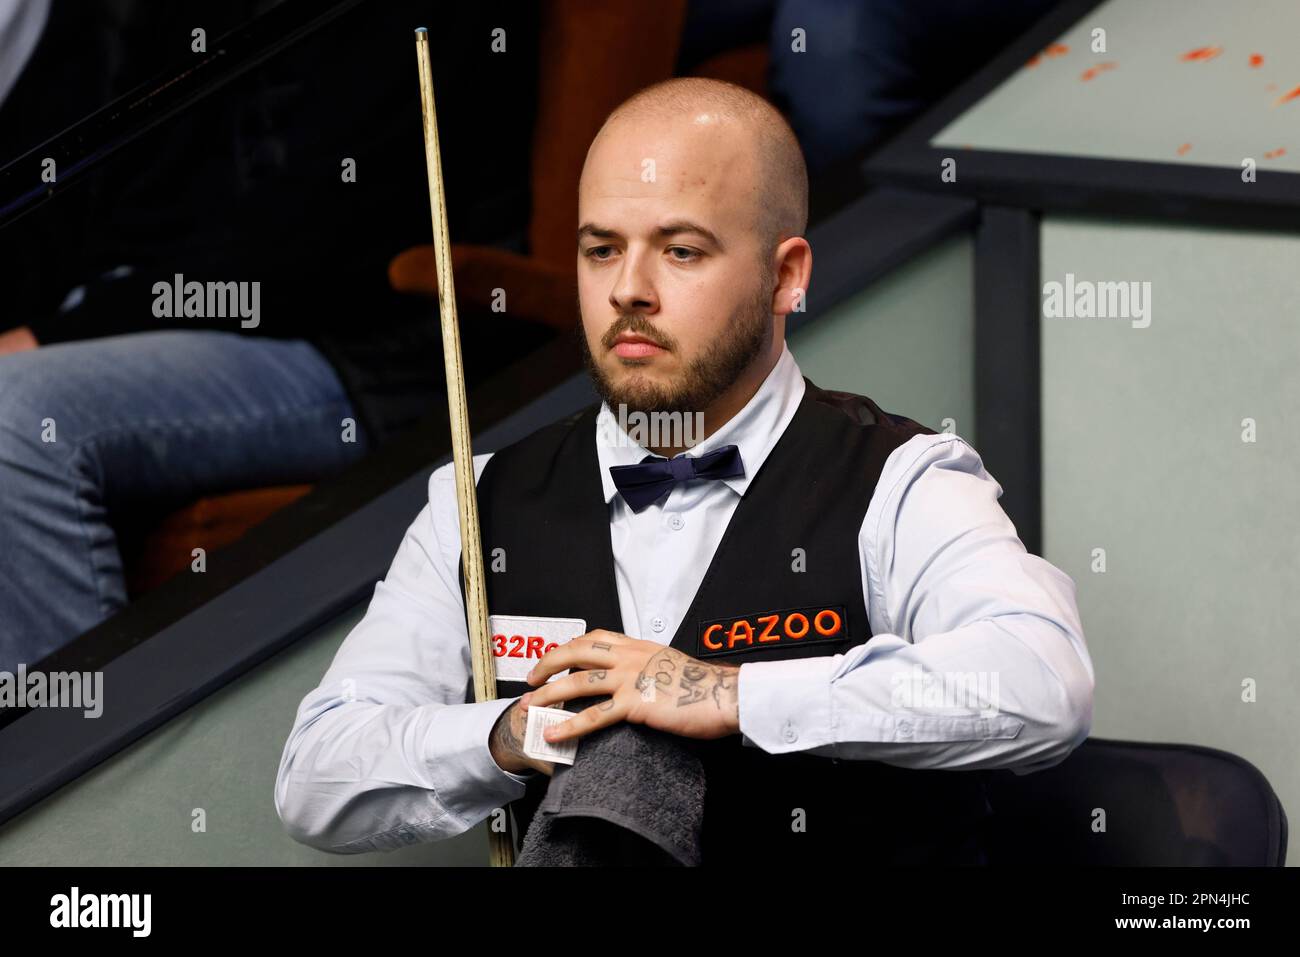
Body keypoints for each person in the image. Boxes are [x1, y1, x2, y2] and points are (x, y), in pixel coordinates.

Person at [275, 76, 1094, 864]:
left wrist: (725, 695)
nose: (629, 289)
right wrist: (510, 733)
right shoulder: (478, 501)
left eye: (681, 251)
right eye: (601, 250)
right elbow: (315, 774)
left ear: (786, 275)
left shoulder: (900, 479)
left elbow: (1042, 683)